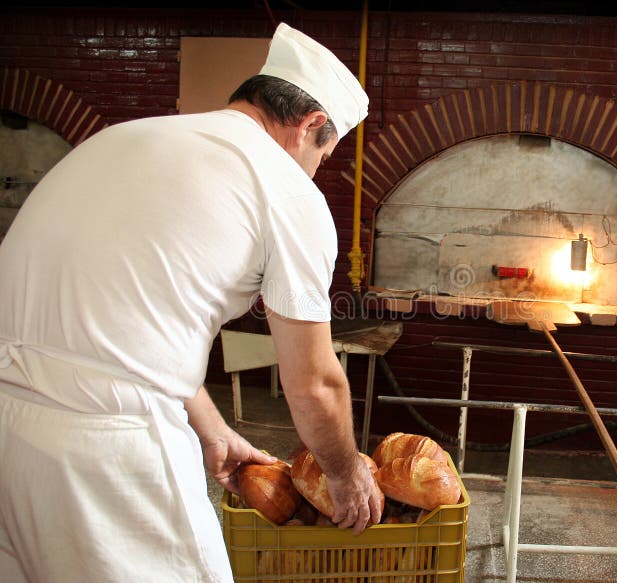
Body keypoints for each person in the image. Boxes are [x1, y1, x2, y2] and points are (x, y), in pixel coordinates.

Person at [0, 22, 382, 583]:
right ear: (311, 125)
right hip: (107, 451)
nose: (317, 171)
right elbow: (314, 384)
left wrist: (211, 428)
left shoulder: (126, 138)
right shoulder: (287, 190)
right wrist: (345, 475)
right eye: (325, 155)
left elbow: (125, 320)